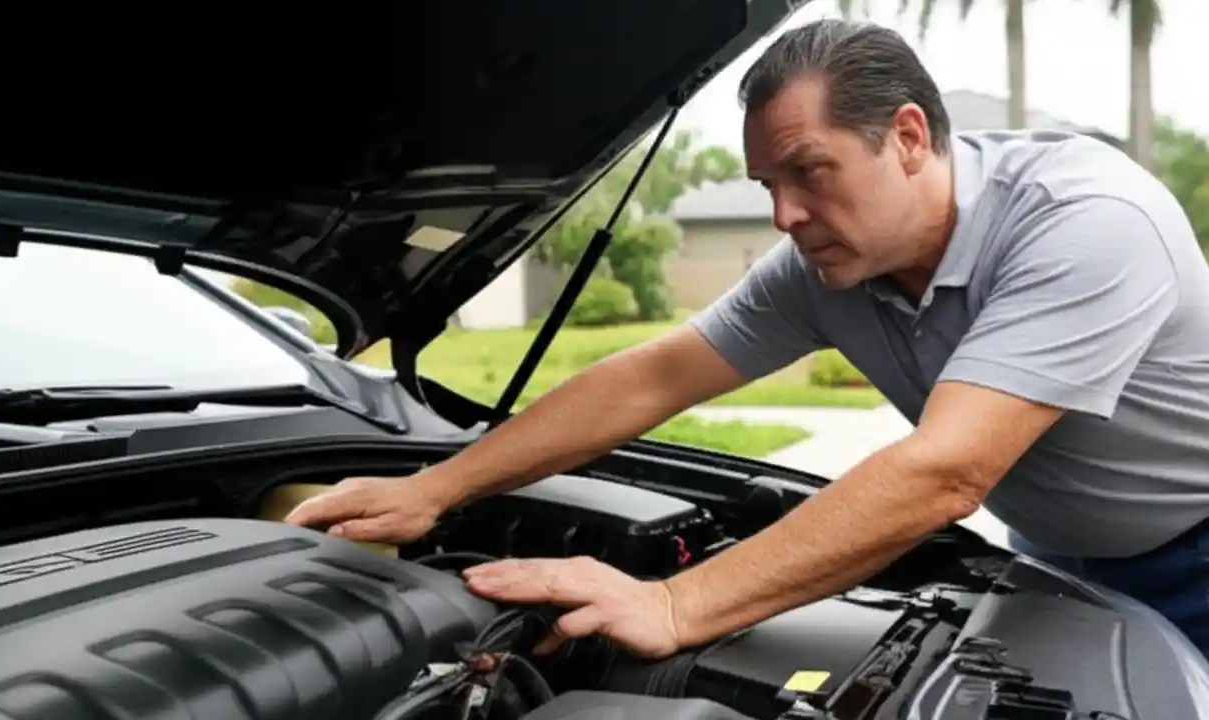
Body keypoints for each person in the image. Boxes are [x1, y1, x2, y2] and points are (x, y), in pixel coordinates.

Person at [286, 19, 1209, 658]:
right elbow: (654, 375)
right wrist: (434, 488)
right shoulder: (827, 262)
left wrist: (676, 601)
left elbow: (944, 471)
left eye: (808, 171)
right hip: (1054, 549)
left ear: (911, 136)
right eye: (767, 183)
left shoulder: (1084, 219)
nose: (784, 215)